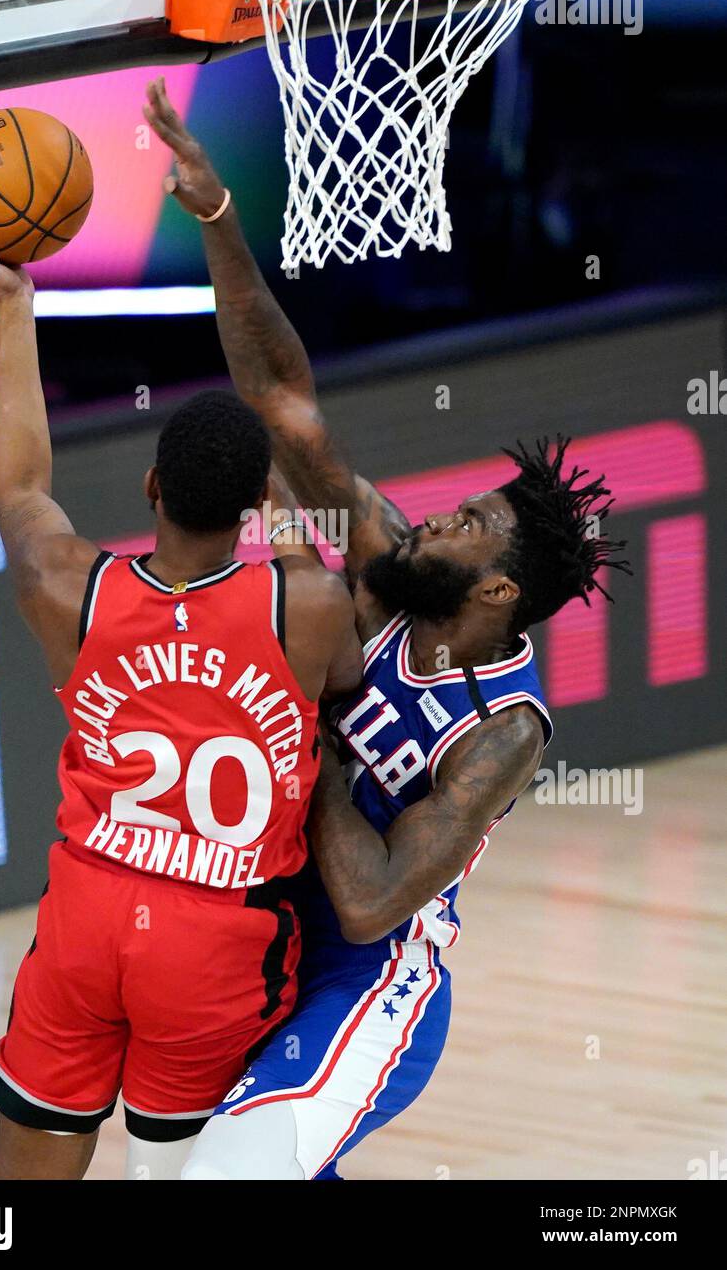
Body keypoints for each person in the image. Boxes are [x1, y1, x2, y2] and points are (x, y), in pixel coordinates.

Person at [143, 79, 631, 1179]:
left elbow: (366, 905)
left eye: (469, 524)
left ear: (498, 592)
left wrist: (307, 708)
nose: (439, 515)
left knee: (225, 1174)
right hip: (258, 931)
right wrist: (219, 219)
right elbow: (282, 401)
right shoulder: (383, 559)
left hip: (367, 982)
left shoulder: (501, 729)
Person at [0, 197, 363, 1180]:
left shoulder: (68, 589)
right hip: (213, 947)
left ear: (150, 489)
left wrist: (12, 304)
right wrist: (270, 499)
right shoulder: (304, 605)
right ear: (254, 506)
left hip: (85, 918)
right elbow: (334, 665)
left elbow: (21, 486)